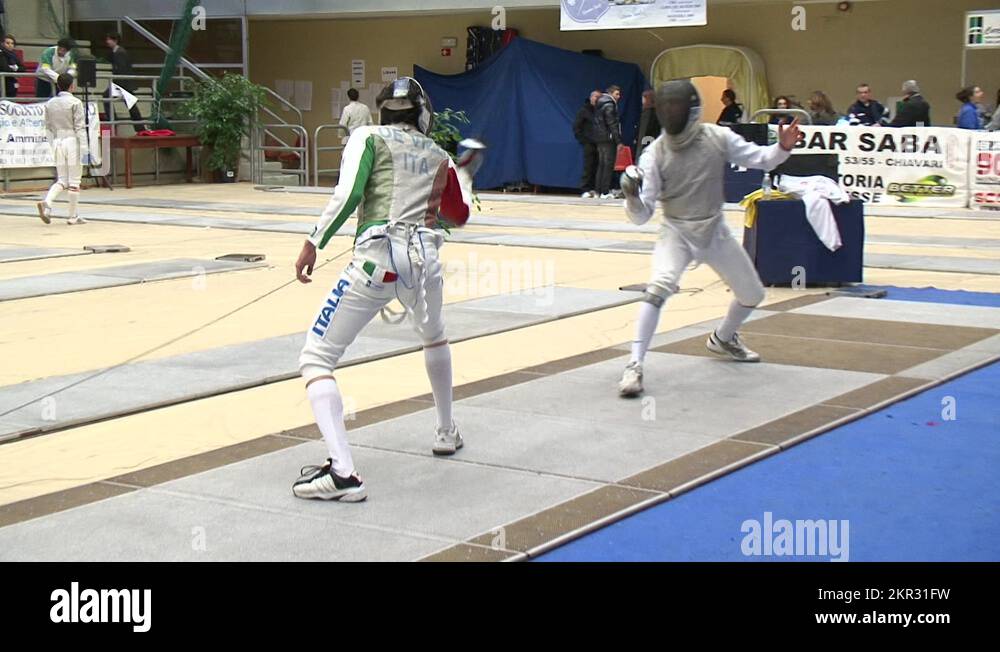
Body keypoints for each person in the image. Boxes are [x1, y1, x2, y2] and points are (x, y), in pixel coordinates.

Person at [291, 77, 482, 502]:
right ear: (423, 114)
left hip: (377, 262)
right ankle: (446, 432)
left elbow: (348, 194)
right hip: (424, 264)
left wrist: (313, 241)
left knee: (316, 356)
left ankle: (343, 474)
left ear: (385, 111)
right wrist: (462, 178)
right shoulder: (439, 155)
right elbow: (458, 215)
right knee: (434, 337)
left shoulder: (366, 136)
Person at [616, 80, 800, 397]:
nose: (672, 113)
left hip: (715, 230)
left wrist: (781, 147)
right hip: (676, 232)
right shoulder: (655, 154)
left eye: (677, 107)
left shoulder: (718, 137)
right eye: (667, 108)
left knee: (752, 294)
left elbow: (762, 159)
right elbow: (642, 215)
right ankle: (634, 365)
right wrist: (631, 196)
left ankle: (723, 338)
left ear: (692, 111)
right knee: (658, 289)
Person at [36, 73, 86, 225]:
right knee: (74, 181)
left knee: (62, 180)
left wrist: (53, 144)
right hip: (72, 141)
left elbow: (48, 127)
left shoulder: (50, 103)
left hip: (57, 141)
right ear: (72, 86)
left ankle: (48, 203)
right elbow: (80, 127)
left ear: (58, 86)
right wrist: (84, 148)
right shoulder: (75, 102)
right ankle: (72, 217)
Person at [102, 32, 145, 130]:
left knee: (130, 104)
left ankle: (113, 119)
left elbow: (121, 69)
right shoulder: (116, 52)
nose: (107, 42)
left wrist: (117, 84)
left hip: (123, 83)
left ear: (115, 40)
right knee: (131, 105)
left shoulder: (120, 52)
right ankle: (139, 127)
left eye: (109, 39)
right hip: (123, 83)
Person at [593, 85, 622, 199]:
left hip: (599, 138)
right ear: (610, 93)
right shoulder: (610, 105)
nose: (619, 97)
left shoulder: (599, 104)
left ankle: (598, 191)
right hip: (608, 138)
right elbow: (612, 123)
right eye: (617, 94)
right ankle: (605, 192)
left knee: (601, 165)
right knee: (608, 165)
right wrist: (618, 140)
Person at [574, 89, 601, 198]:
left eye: (599, 97)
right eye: (595, 96)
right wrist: (584, 140)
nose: (596, 99)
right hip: (589, 144)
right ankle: (585, 189)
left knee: (598, 167)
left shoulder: (602, 111)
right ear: (591, 98)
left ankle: (595, 189)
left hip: (600, 144)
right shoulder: (584, 110)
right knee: (588, 167)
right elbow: (576, 127)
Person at [635, 88, 660, 166]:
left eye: (644, 97)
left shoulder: (648, 113)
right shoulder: (658, 113)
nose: (642, 100)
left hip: (646, 147)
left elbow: (643, 133)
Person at [0, 33, 21, 99]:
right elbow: (4, 68)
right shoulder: (1, 54)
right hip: (2, 84)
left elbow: (23, 68)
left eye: (12, 43)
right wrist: (15, 68)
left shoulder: (14, 55)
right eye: (7, 43)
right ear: (2, 44)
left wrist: (14, 68)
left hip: (12, 84)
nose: (10, 45)